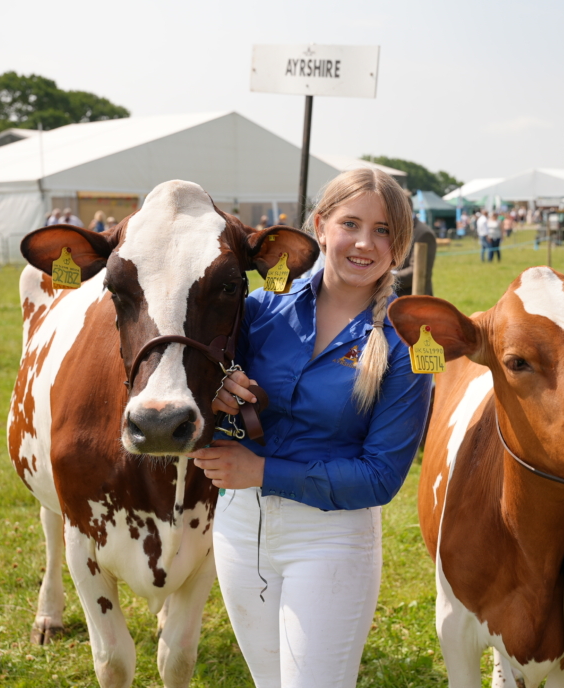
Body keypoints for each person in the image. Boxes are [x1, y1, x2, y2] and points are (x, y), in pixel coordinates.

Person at [187, 167, 432, 688]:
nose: (365, 243)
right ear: (320, 226)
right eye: (351, 223)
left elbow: (380, 478)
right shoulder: (257, 311)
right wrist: (217, 395)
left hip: (330, 538)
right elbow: (190, 391)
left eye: (384, 230)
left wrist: (261, 471)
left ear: (400, 245)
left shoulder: (406, 346)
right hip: (238, 528)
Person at [394, 200, 437, 296]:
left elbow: (417, 272)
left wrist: (383, 280)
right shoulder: (392, 228)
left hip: (411, 300)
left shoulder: (423, 233)